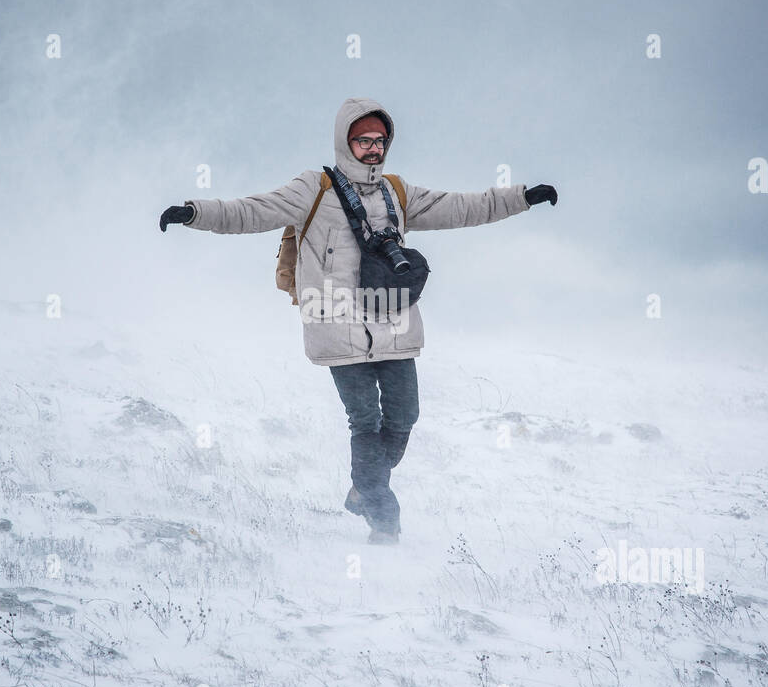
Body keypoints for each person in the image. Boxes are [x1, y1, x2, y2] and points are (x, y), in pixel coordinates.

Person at [159, 97, 558, 544]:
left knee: (405, 417)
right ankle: (383, 522)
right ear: (345, 142)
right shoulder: (313, 189)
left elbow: (464, 206)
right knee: (365, 421)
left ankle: (362, 488)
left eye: (379, 141)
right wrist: (194, 212)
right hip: (338, 328)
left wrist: (522, 198)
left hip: (394, 325)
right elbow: (250, 211)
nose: (373, 149)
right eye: (363, 141)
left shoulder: (397, 192)